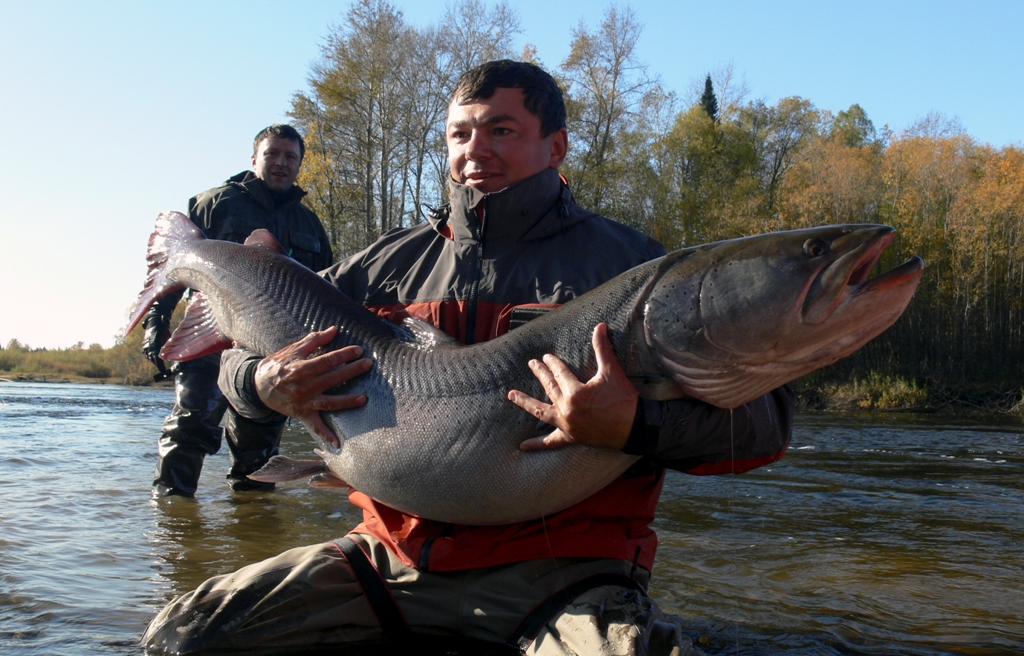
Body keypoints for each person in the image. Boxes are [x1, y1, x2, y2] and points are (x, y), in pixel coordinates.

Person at [142, 62, 793, 654]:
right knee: (183, 637)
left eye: (501, 130)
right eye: (460, 134)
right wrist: (264, 383)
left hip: (563, 573)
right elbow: (234, 364)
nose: (474, 150)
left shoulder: (636, 271)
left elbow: (766, 428)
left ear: (556, 147)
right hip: (390, 560)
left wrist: (633, 426)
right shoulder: (383, 264)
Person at [142, 124, 333, 497]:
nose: (281, 163)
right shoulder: (215, 203)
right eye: (272, 154)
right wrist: (156, 322)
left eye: (290, 157)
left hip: (271, 352)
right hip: (209, 337)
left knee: (259, 455)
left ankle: (251, 526)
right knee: (190, 428)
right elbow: (172, 267)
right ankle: (171, 519)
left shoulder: (309, 224)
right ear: (254, 158)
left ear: (299, 165)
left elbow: (326, 289)